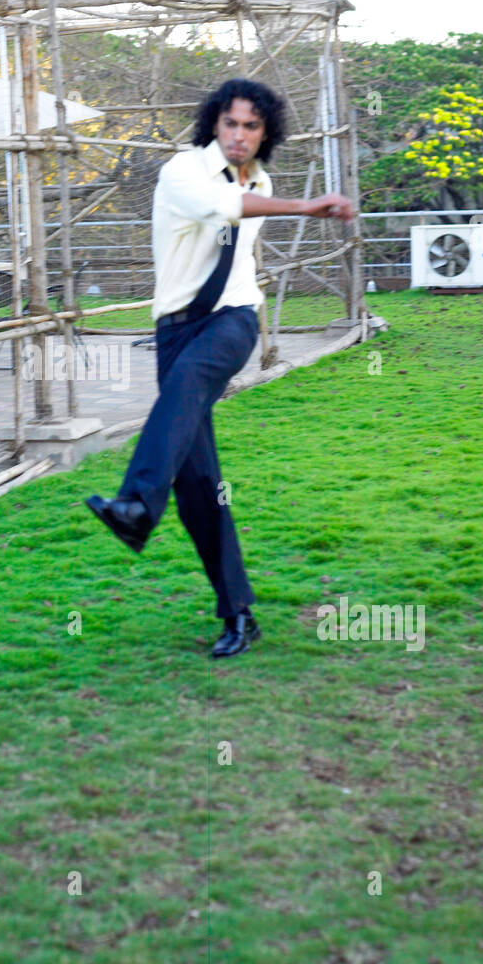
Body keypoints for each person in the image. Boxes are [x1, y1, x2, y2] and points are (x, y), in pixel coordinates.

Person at [85, 77, 355, 658]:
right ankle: (238, 613)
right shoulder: (182, 172)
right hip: (174, 328)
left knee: (185, 389)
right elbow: (224, 207)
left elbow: (242, 223)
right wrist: (308, 205)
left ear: (265, 132)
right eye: (230, 123)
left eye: (251, 126)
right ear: (215, 123)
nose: (239, 135)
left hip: (231, 320)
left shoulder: (263, 180)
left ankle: (134, 502)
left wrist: (292, 201)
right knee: (202, 485)